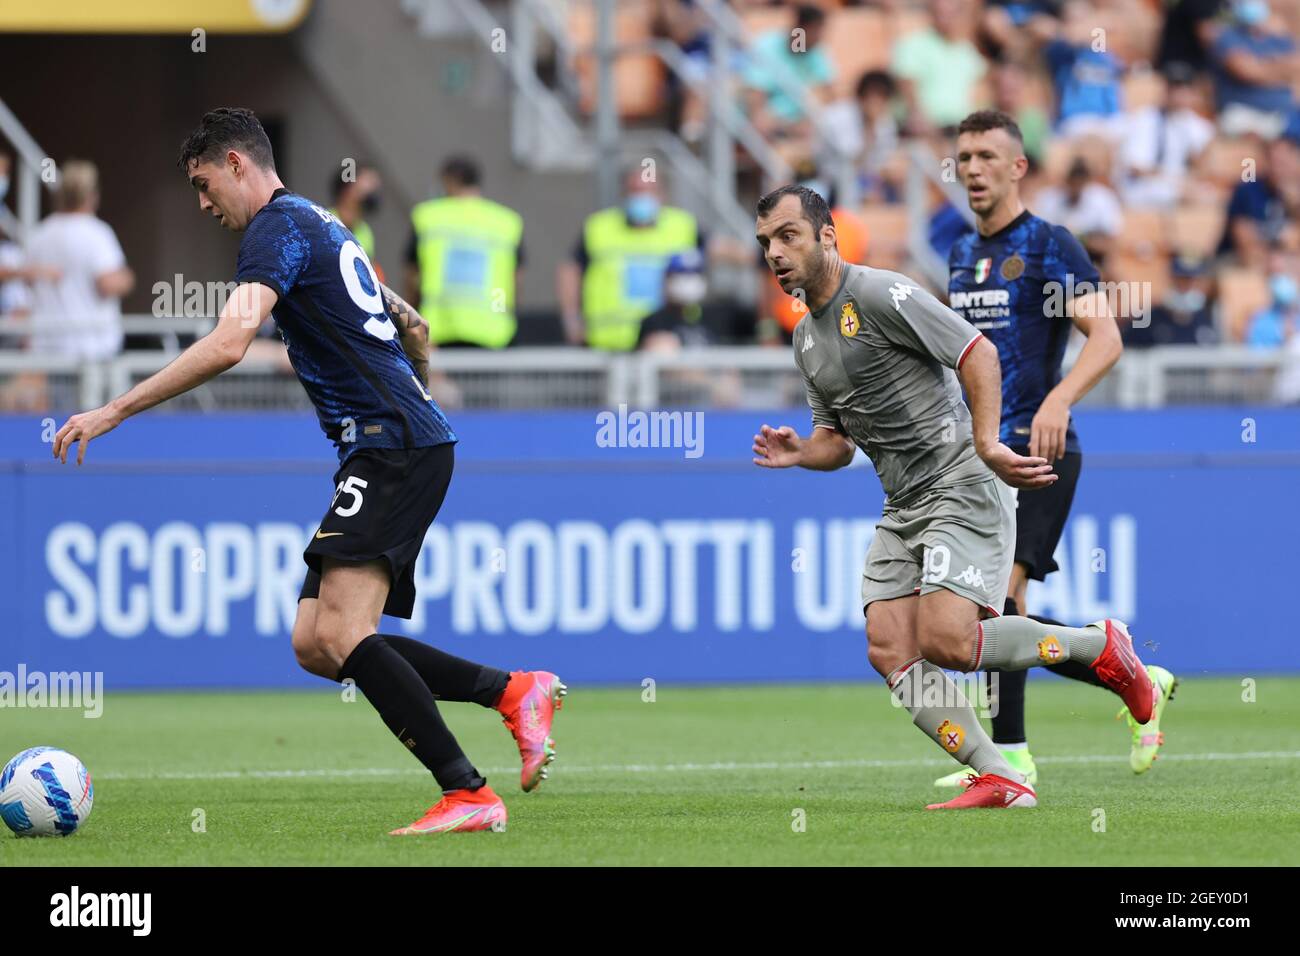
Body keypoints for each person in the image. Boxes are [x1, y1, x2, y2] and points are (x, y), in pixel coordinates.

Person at [51, 107, 565, 835]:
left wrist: (113, 411)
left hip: (393, 444)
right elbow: (411, 322)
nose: (203, 204)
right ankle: (513, 690)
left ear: (236, 164)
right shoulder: (324, 223)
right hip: (393, 440)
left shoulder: (275, 230)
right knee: (315, 643)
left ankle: (467, 792)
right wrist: (413, 391)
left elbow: (231, 343)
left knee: (347, 632)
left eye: (203, 184)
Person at [752, 184, 1157, 810]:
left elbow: (977, 350)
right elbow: (836, 442)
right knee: (889, 646)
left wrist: (989, 441)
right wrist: (801, 451)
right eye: (766, 244)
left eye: (787, 236)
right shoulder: (806, 338)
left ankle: (1099, 647)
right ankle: (1003, 776)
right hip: (902, 504)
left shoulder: (881, 293)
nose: (775, 253)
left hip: (961, 480)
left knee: (948, 642)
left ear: (826, 236)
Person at [943, 110, 1176, 788]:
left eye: (988, 155)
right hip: (985, 456)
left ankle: (1010, 754)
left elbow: (1105, 338)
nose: (973, 168)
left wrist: (1059, 398)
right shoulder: (961, 255)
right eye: (963, 157)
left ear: (1019, 167)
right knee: (988, 612)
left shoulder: (1049, 244)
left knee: (1003, 596)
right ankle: (1124, 667)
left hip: (1042, 448)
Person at [558, 166, 702, 350]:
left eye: (647, 191)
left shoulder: (682, 226)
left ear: (662, 194)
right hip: (607, 343)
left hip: (664, 339)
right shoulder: (599, 228)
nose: (640, 198)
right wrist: (572, 321)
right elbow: (570, 270)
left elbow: (717, 249)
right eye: (634, 190)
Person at [405, 156, 523, 349]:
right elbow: (515, 278)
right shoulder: (506, 222)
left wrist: (410, 322)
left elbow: (411, 275)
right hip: (494, 332)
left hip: (436, 333)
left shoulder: (427, 217)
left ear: (450, 181)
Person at [25, 159, 134, 361]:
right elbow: (107, 284)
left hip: (47, 348)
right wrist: (127, 277)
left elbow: (28, 285)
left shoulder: (39, 234)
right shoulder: (96, 233)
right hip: (90, 351)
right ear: (92, 195)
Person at [1125, 255, 1219, 346]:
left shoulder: (1207, 316)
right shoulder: (1151, 319)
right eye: (1182, 279)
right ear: (1171, 279)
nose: (1187, 286)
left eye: (1192, 280)